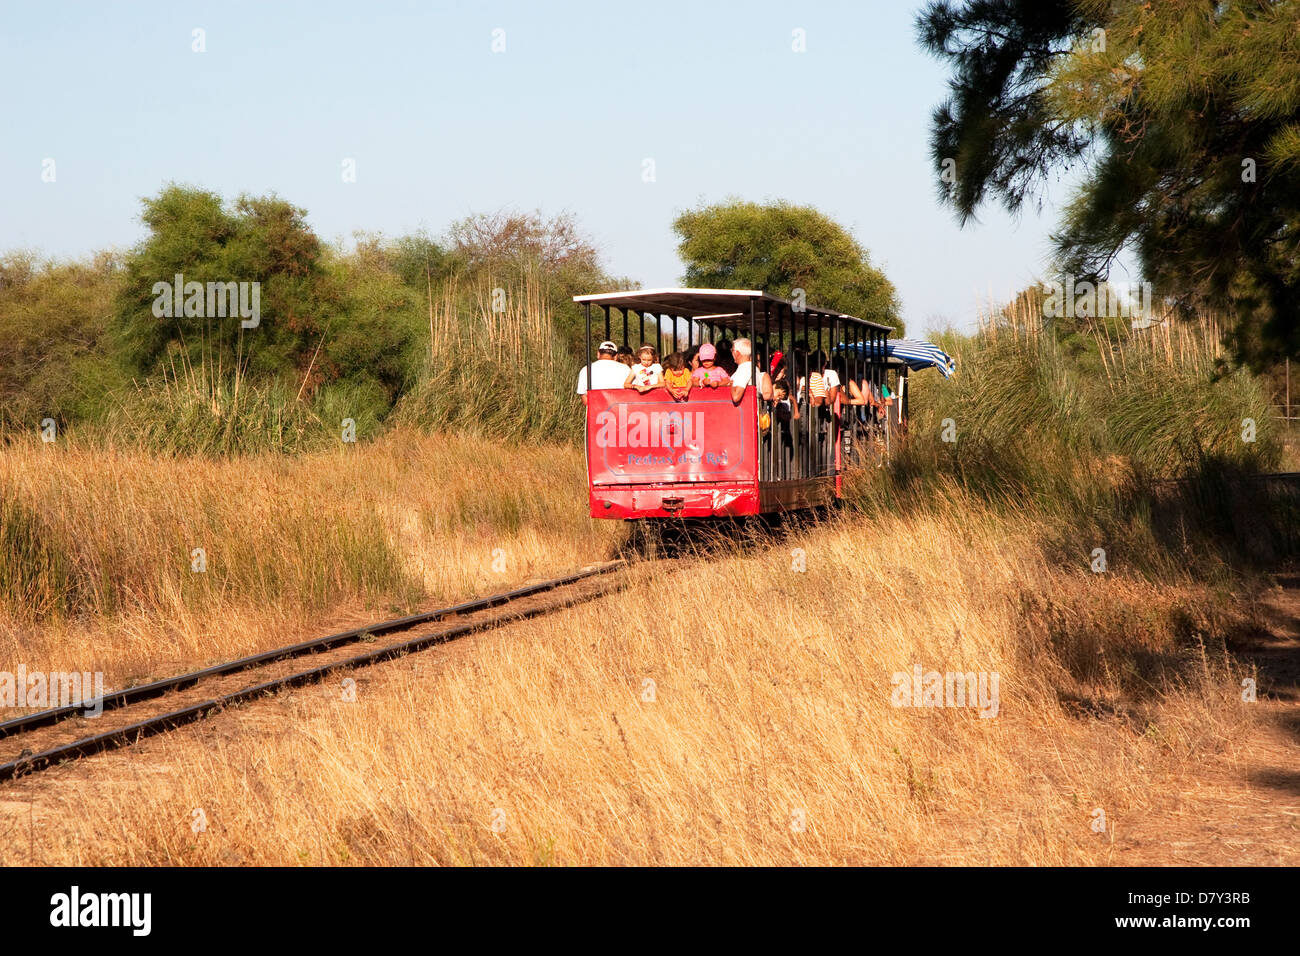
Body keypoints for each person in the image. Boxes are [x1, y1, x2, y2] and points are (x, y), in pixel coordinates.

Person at [575, 340, 629, 406]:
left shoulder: (586, 369)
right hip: (619, 413)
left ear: (598, 354)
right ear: (616, 356)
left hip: (595, 413)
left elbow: (585, 400)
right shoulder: (625, 369)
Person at [729, 338, 755, 405]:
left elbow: (736, 397)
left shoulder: (744, 369)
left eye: (732, 350)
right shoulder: (752, 367)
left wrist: (730, 384)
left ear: (737, 353)